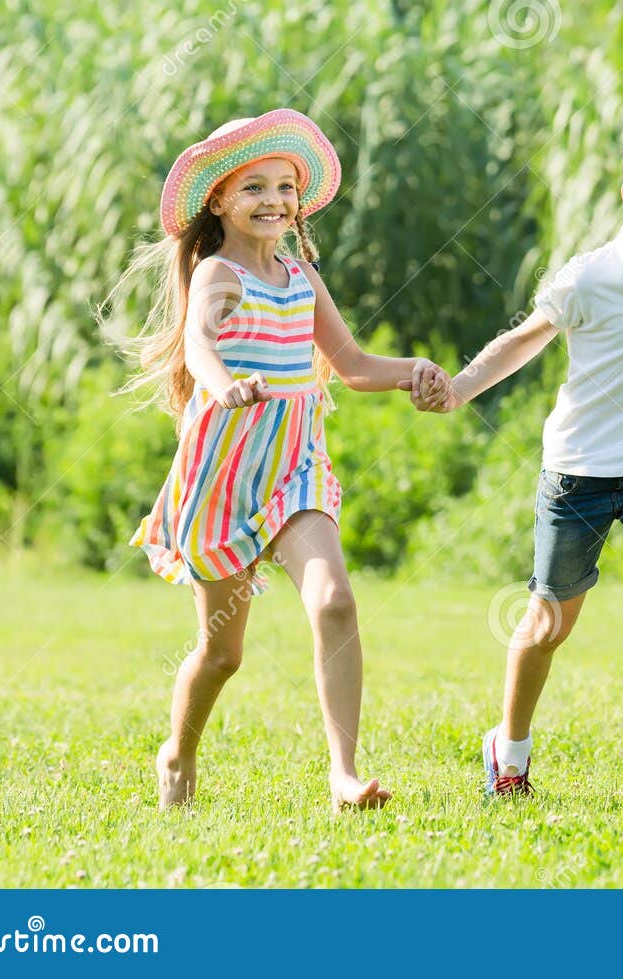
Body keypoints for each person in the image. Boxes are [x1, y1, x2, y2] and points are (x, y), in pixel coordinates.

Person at [115, 108, 448, 811]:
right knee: (222, 655)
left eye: (285, 188)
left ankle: (345, 774)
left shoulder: (299, 276)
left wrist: (413, 369)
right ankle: (177, 752)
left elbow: (352, 363)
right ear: (219, 200)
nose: (274, 201)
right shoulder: (218, 273)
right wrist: (220, 384)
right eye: (255, 188)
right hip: (226, 472)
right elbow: (200, 341)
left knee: (333, 600)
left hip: (296, 464)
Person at [411, 108, 623, 797]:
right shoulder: (588, 279)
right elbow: (525, 339)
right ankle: (512, 743)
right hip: (580, 472)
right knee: (547, 623)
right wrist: (461, 389)